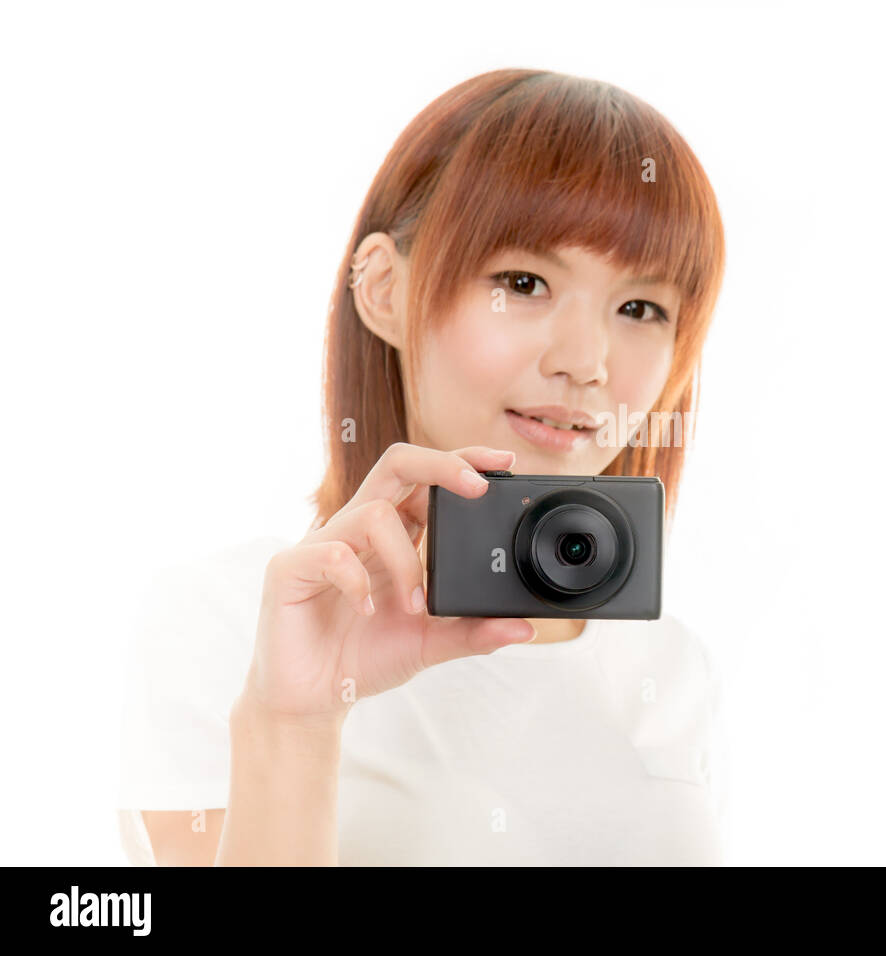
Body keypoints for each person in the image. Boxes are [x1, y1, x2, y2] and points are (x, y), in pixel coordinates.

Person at [117, 67, 728, 866]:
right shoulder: (230, 622)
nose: (586, 363)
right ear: (383, 290)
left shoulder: (669, 665)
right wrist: (294, 719)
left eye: (640, 308)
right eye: (524, 282)